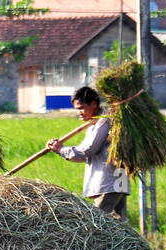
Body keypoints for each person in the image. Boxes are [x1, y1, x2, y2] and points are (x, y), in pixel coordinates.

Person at [46, 86, 130, 220]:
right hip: (117, 183)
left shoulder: (104, 121)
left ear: (93, 104)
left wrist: (61, 149)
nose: (79, 112)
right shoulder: (97, 123)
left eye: (81, 108)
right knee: (119, 226)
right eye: (76, 109)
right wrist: (61, 150)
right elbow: (85, 154)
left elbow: (87, 150)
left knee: (95, 224)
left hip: (108, 183)